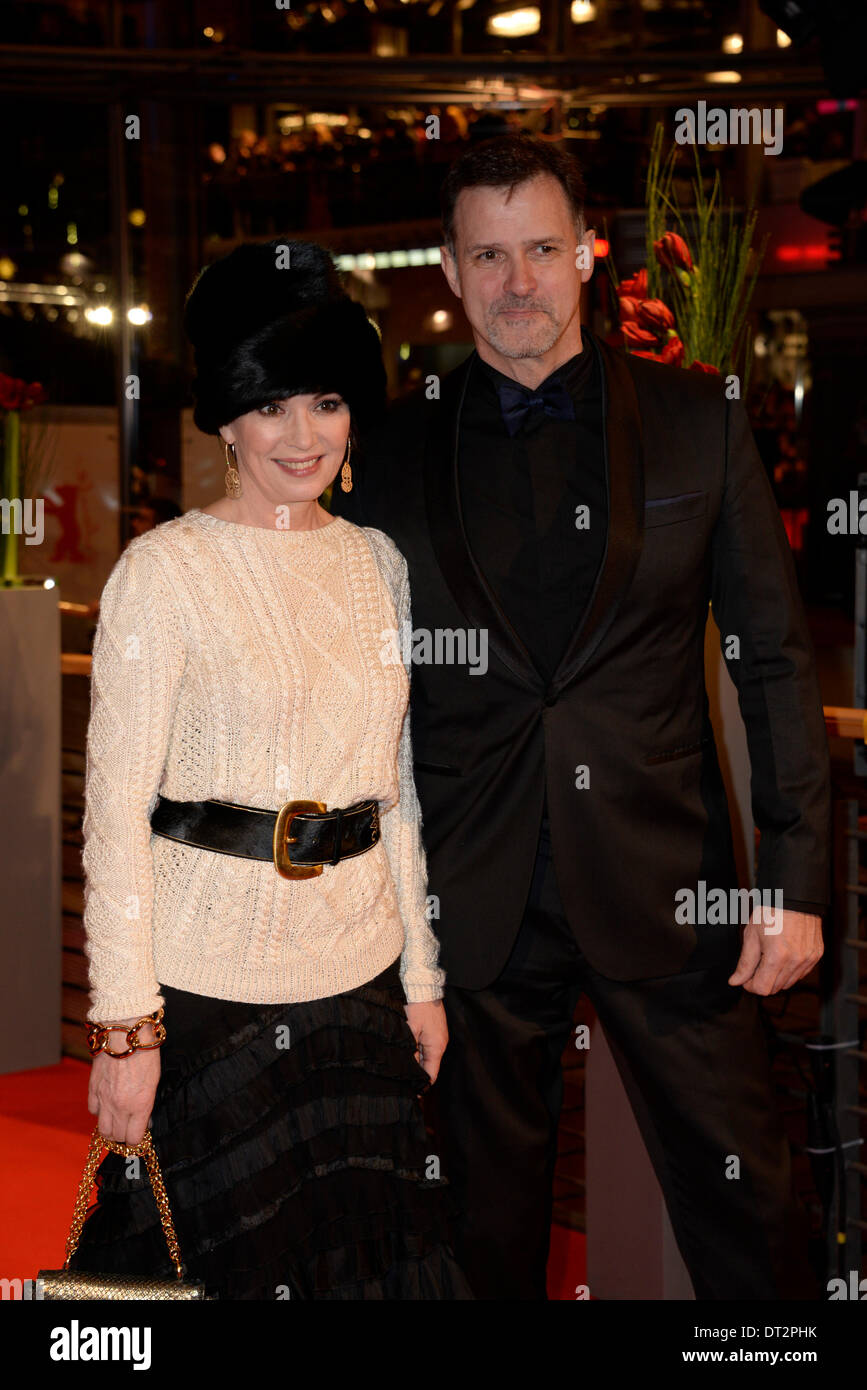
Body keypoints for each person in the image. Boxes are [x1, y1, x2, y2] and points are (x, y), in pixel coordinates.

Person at [333, 135, 832, 1300]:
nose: (519, 282)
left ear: (588, 255)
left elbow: (773, 657)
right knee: (479, 1225)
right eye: (489, 255)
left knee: (746, 1211)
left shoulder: (694, 418)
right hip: (471, 898)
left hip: (673, 885)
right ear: (450, 273)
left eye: (543, 250)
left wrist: (796, 879)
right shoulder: (388, 449)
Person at [67, 239, 472, 1301]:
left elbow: (399, 790)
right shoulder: (163, 573)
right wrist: (123, 1028)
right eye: (274, 404)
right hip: (209, 1000)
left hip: (359, 988)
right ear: (230, 418)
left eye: (328, 401)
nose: (303, 435)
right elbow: (112, 815)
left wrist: (421, 980)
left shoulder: (378, 563)